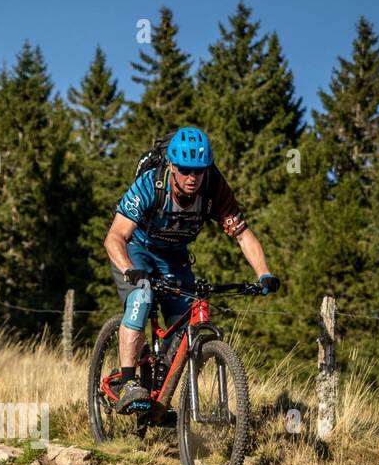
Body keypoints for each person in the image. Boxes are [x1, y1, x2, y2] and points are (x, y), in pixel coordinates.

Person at [103, 126, 279, 413]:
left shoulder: (213, 188)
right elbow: (114, 237)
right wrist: (129, 269)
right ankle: (127, 382)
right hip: (137, 248)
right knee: (141, 298)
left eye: (198, 171)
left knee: (185, 325)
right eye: (185, 170)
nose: (192, 177)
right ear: (171, 164)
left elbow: (243, 234)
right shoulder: (151, 184)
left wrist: (263, 274)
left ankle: (161, 397)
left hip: (175, 256)